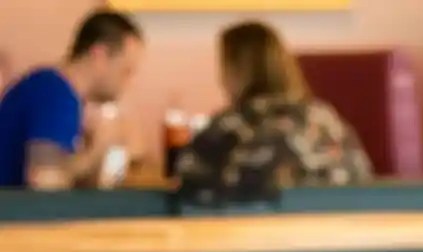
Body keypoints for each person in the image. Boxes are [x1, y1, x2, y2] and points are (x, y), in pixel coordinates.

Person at [177, 21, 372, 204]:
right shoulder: (327, 120)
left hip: (251, 235)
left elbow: (187, 191)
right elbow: (364, 180)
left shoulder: (229, 127)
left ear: (234, 71)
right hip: (341, 233)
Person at [0, 11, 144, 189]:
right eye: (125, 71)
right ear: (99, 56)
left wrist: (99, 150)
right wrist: (95, 151)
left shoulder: (59, 93)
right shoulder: (54, 93)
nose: (127, 84)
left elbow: (66, 180)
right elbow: (43, 180)